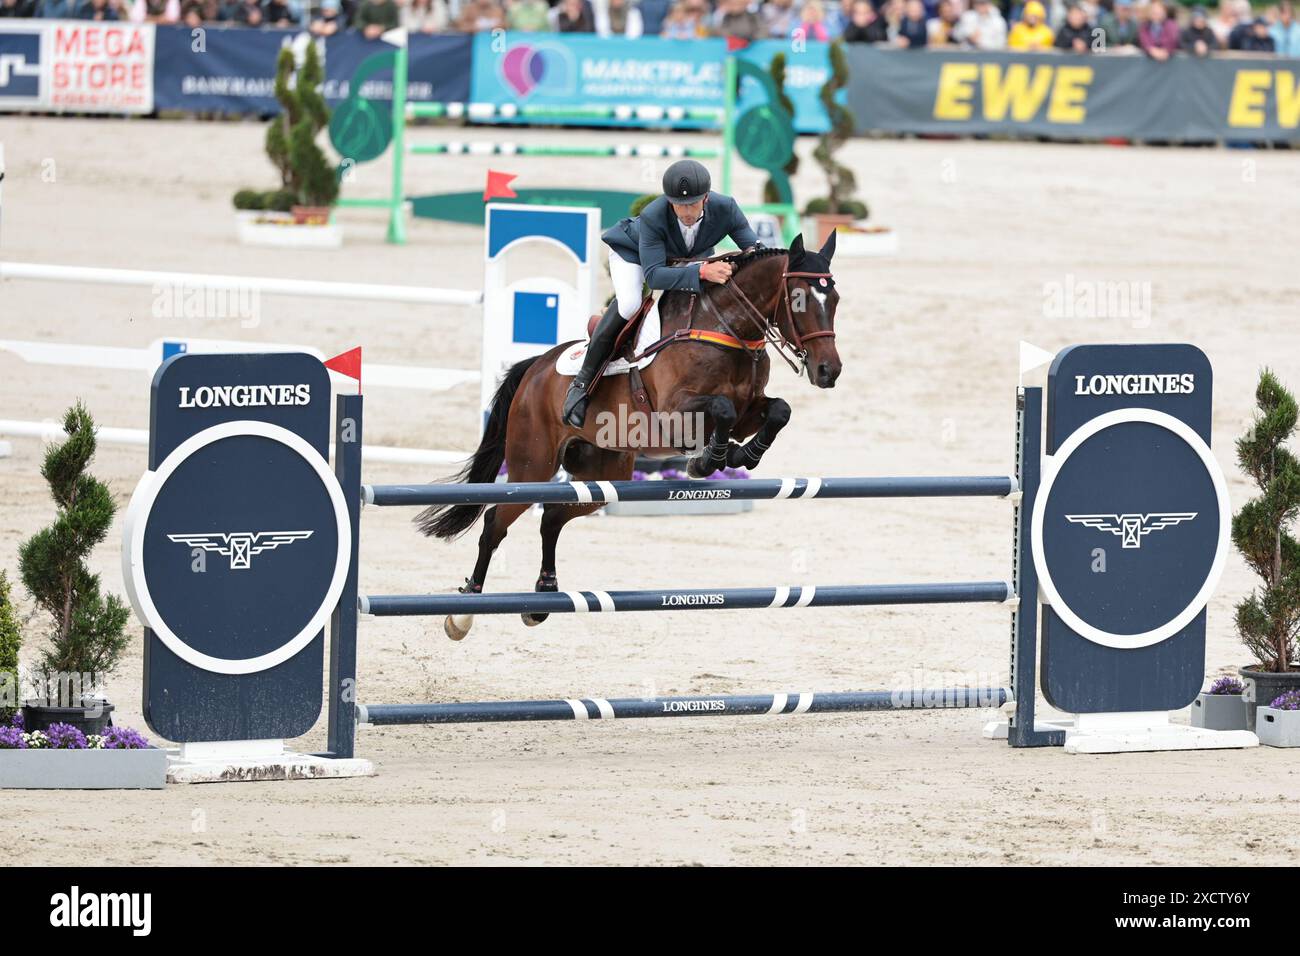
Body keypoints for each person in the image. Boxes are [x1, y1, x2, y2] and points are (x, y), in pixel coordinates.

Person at [561, 160, 759, 428]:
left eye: (693, 204)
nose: (686, 212)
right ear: (669, 200)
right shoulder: (655, 215)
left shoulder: (727, 208)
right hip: (634, 255)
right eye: (679, 205)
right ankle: (582, 383)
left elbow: (754, 251)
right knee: (630, 304)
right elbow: (654, 275)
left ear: (707, 198)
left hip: (686, 259)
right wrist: (702, 273)